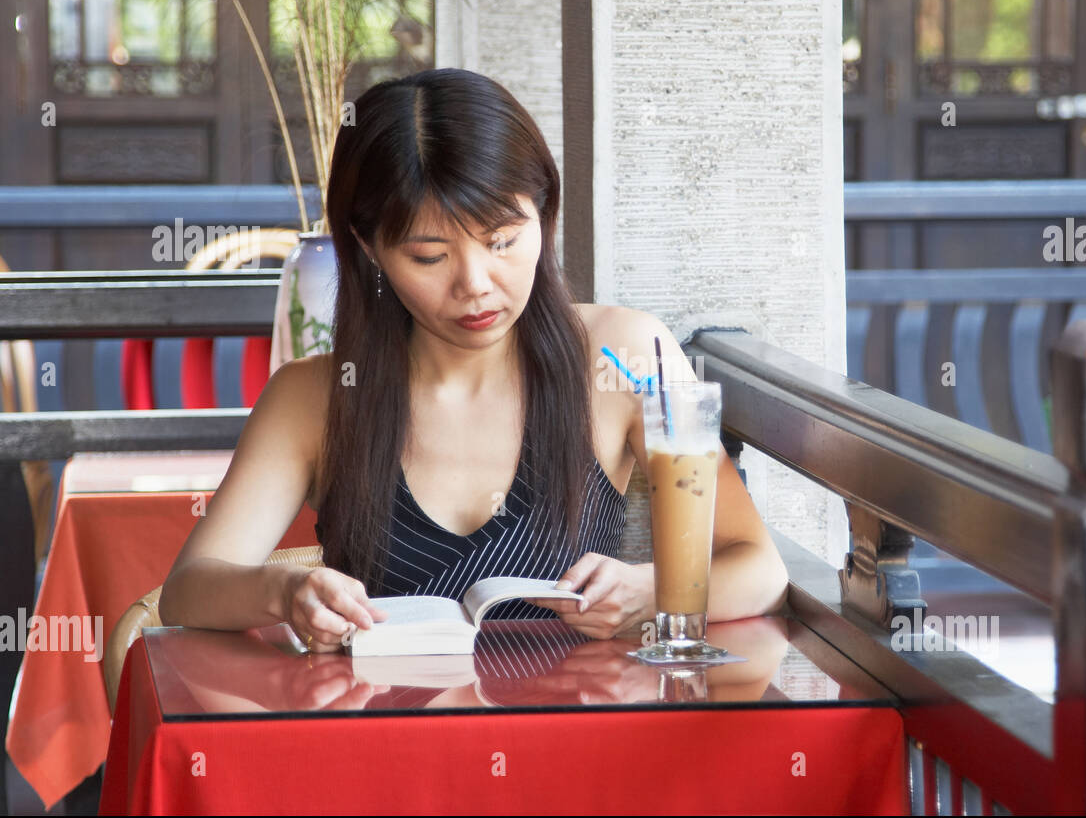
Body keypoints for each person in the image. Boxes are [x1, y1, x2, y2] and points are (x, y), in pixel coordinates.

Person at [159, 67, 789, 652]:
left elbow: (758, 567)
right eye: (429, 257)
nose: (476, 284)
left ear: (543, 213)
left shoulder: (623, 356)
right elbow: (188, 589)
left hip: (569, 745)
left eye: (503, 241)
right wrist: (285, 593)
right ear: (369, 248)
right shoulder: (315, 398)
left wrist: (650, 590)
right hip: (386, 746)